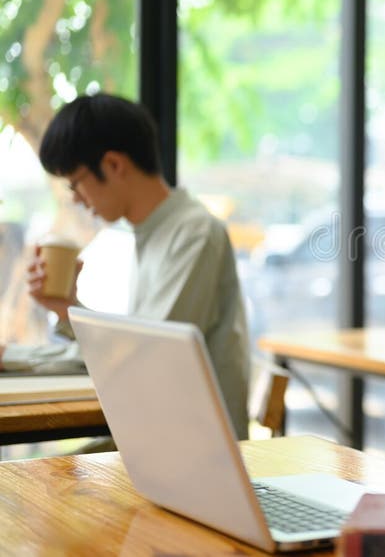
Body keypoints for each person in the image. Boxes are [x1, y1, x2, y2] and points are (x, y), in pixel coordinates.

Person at [1, 94, 250, 439]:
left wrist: (23, 351)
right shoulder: (155, 233)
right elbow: (133, 352)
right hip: (156, 436)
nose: (75, 198)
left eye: (75, 182)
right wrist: (66, 309)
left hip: (191, 455)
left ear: (115, 165)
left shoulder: (194, 234)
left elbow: (144, 361)